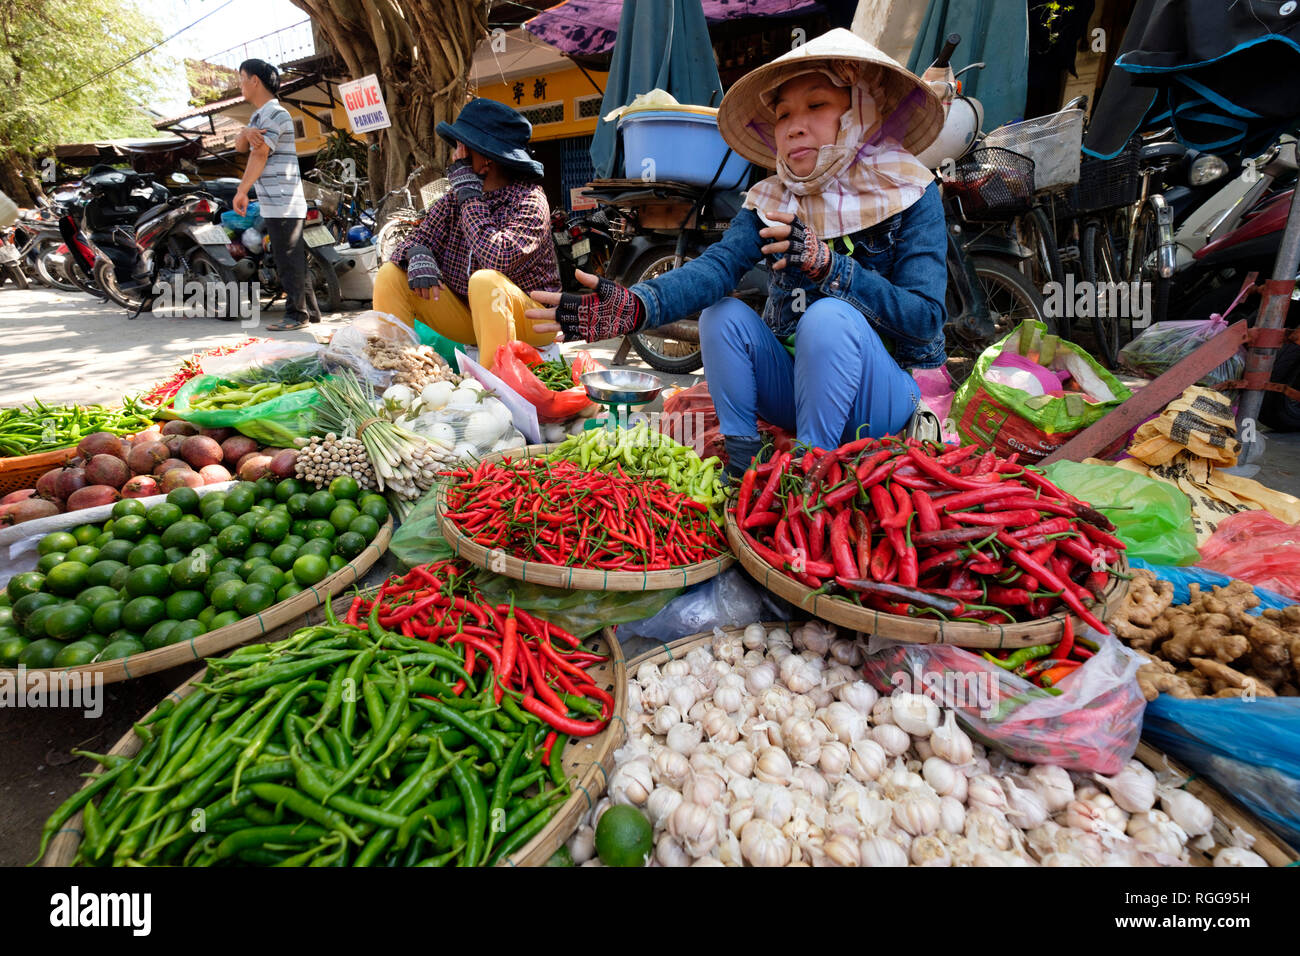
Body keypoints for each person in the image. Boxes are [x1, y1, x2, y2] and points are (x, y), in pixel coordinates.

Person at [528, 29, 948, 476]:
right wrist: (637, 305)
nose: (794, 125)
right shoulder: (773, 200)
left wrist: (831, 268)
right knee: (721, 315)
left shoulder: (911, 192)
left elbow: (924, 320)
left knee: (828, 317)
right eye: (783, 114)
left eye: (817, 105)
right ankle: (743, 467)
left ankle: (809, 477)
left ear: (860, 110)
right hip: (795, 392)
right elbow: (716, 268)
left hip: (882, 397)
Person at [374, 98, 560, 371]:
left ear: (485, 162)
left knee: (485, 281)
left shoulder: (530, 201)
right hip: (472, 317)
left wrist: (470, 198)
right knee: (391, 275)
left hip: (533, 320)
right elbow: (414, 239)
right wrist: (417, 253)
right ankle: (397, 373)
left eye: (463, 150)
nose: (454, 157)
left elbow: (497, 260)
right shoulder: (453, 201)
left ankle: (488, 392)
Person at [232, 58, 320, 332]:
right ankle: (311, 312)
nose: (241, 85)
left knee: (288, 259)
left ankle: (297, 315)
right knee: (291, 257)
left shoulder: (274, 114)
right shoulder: (258, 117)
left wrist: (242, 190)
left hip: (282, 200)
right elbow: (239, 146)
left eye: (242, 78)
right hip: (278, 200)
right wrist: (246, 131)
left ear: (255, 80)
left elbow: (259, 154)